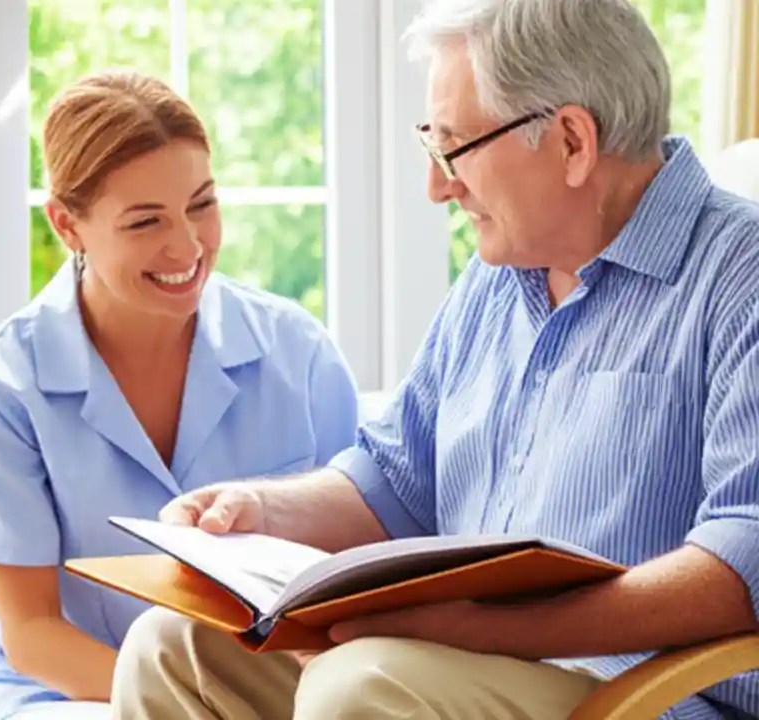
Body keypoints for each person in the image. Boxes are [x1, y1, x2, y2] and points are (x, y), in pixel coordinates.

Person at [110, 1, 759, 718]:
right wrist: (261, 509)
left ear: (573, 141)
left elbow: (744, 565)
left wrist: (488, 632)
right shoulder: (499, 277)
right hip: (459, 668)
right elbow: (395, 480)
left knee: (356, 686)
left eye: (456, 147)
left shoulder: (740, 276)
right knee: (172, 647)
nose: (439, 186)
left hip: (647, 694)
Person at [0, 71, 360, 719]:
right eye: (146, 221)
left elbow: (354, 577)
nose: (188, 245)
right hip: (69, 695)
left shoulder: (299, 354)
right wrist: (182, 703)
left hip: (260, 694)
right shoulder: (3, 385)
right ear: (67, 225)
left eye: (202, 204)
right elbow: (31, 635)